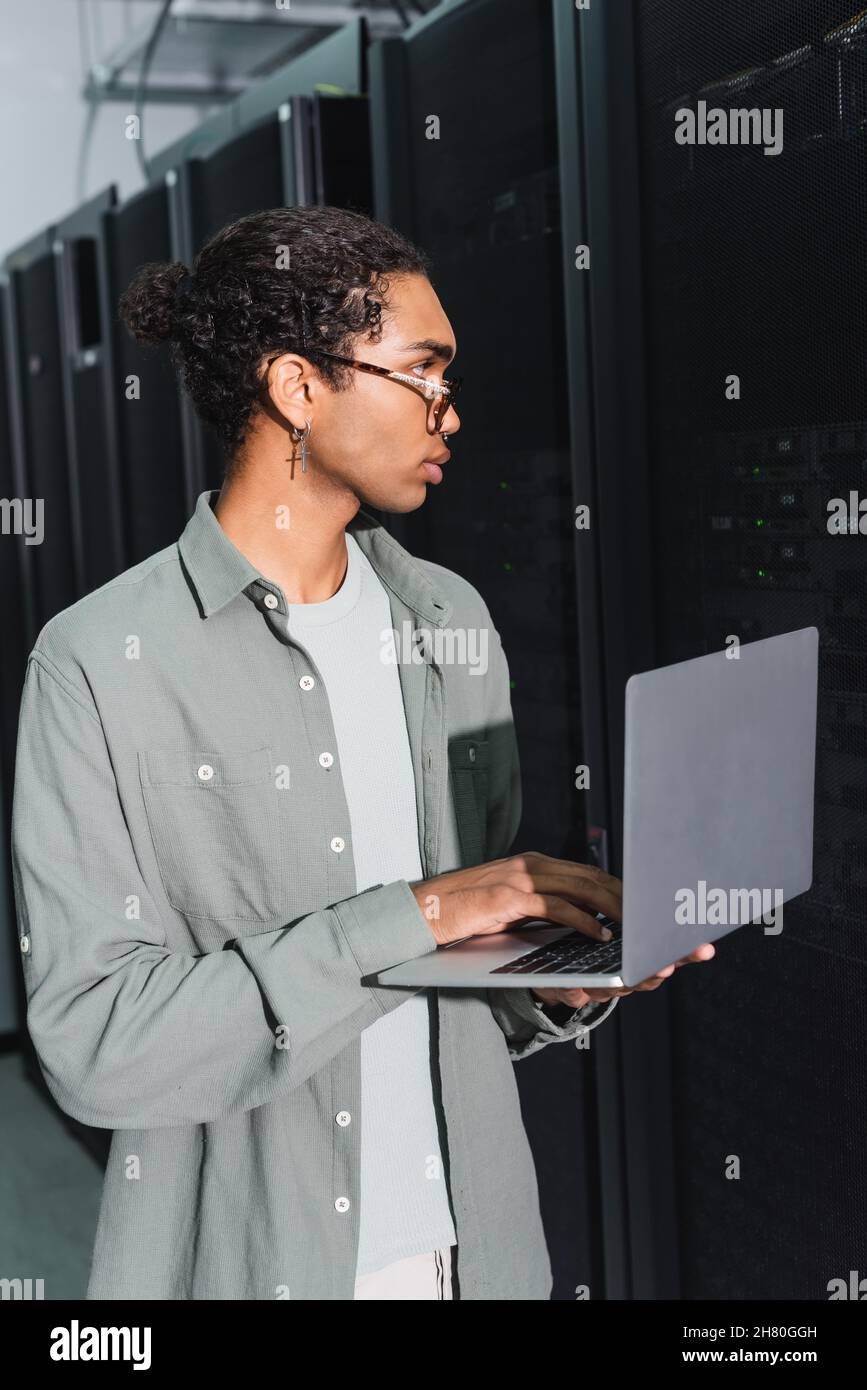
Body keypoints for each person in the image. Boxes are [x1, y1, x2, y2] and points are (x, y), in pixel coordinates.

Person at [11, 205, 713, 1301]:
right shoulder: (99, 661)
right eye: (423, 370)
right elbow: (95, 1044)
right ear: (298, 387)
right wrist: (422, 911)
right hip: (257, 1260)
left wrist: (565, 966)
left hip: (477, 1252)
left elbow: (464, 979)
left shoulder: (451, 619)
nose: (452, 411)